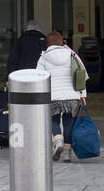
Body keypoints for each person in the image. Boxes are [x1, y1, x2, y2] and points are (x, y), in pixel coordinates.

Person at [36, 31, 86, 162]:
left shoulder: (44, 57)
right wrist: (82, 95)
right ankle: (67, 154)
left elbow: (38, 77)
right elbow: (80, 75)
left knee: (53, 120)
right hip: (71, 95)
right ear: (61, 42)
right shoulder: (71, 55)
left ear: (47, 44)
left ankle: (58, 141)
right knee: (68, 123)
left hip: (52, 96)